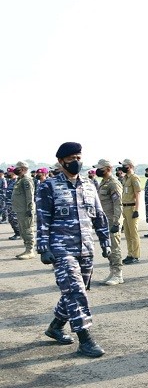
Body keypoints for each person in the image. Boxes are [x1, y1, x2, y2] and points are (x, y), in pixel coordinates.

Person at [36, 142, 110, 358]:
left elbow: (99, 215)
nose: (76, 162)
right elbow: (42, 218)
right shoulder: (48, 186)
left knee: (77, 290)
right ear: (61, 162)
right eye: (71, 159)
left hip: (86, 248)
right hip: (61, 249)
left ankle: (55, 326)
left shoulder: (88, 185)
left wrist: (105, 240)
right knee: (75, 291)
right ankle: (85, 340)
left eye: (79, 157)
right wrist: (43, 247)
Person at [94, 159, 125, 286]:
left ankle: (118, 274)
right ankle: (112, 272)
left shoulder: (113, 183)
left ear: (108, 169)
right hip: (103, 220)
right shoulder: (103, 182)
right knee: (107, 248)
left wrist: (117, 222)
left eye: (100, 168)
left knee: (114, 247)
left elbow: (118, 203)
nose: (98, 170)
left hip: (112, 220)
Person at [11, 161, 36, 259]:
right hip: (20, 209)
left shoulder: (26, 180)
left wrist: (29, 208)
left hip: (26, 210)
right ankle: (26, 249)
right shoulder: (20, 179)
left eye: (18, 168)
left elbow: (30, 195)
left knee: (27, 229)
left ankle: (30, 251)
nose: (16, 170)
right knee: (22, 230)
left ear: (23, 169)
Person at [119, 159, 142, 265]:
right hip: (125, 207)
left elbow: (137, 194)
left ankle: (135, 255)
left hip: (132, 208)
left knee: (133, 233)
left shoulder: (134, 178)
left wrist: (137, 210)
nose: (123, 167)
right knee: (127, 233)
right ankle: (130, 254)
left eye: (125, 165)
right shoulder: (125, 178)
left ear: (130, 166)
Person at [6, 166, 21, 240]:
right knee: (11, 219)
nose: (8, 173)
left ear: (13, 172)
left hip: (14, 204)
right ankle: (16, 233)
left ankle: (19, 234)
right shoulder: (9, 181)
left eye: (10, 172)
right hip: (9, 204)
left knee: (15, 219)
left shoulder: (17, 181)